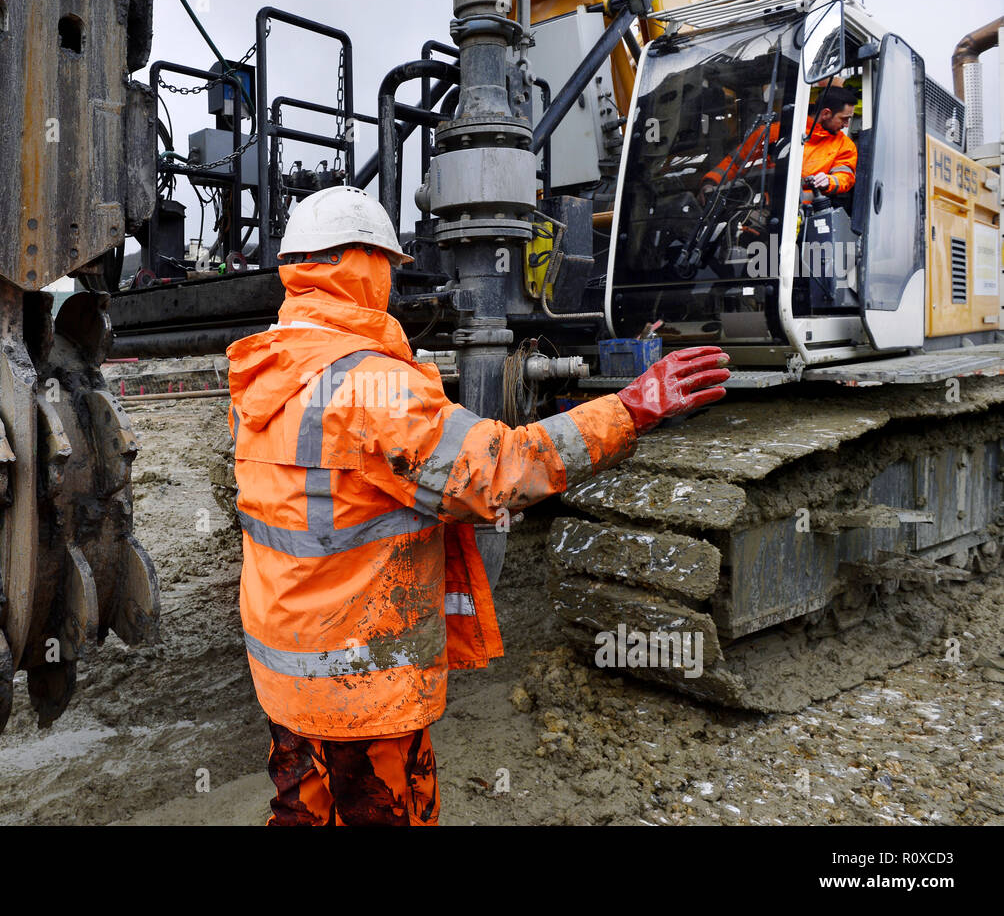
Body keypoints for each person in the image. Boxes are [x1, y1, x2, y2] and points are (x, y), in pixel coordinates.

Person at [226, 186, 730, 826]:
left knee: (301, 815)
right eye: (387, 265)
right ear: (362, 264)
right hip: (362, 686)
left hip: (288, 671)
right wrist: (628, 410)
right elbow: (497, 475)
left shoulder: (266, 372)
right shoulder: (371, 386)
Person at [699, 84, 859, 204]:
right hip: (755, 209)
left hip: (802, 219)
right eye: (844, 119)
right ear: (826, 114)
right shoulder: (771, 133)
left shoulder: (845, 145)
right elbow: (734, 163)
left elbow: (845, 176)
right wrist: (711, 182)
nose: (846, 125)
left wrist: (829, 181)